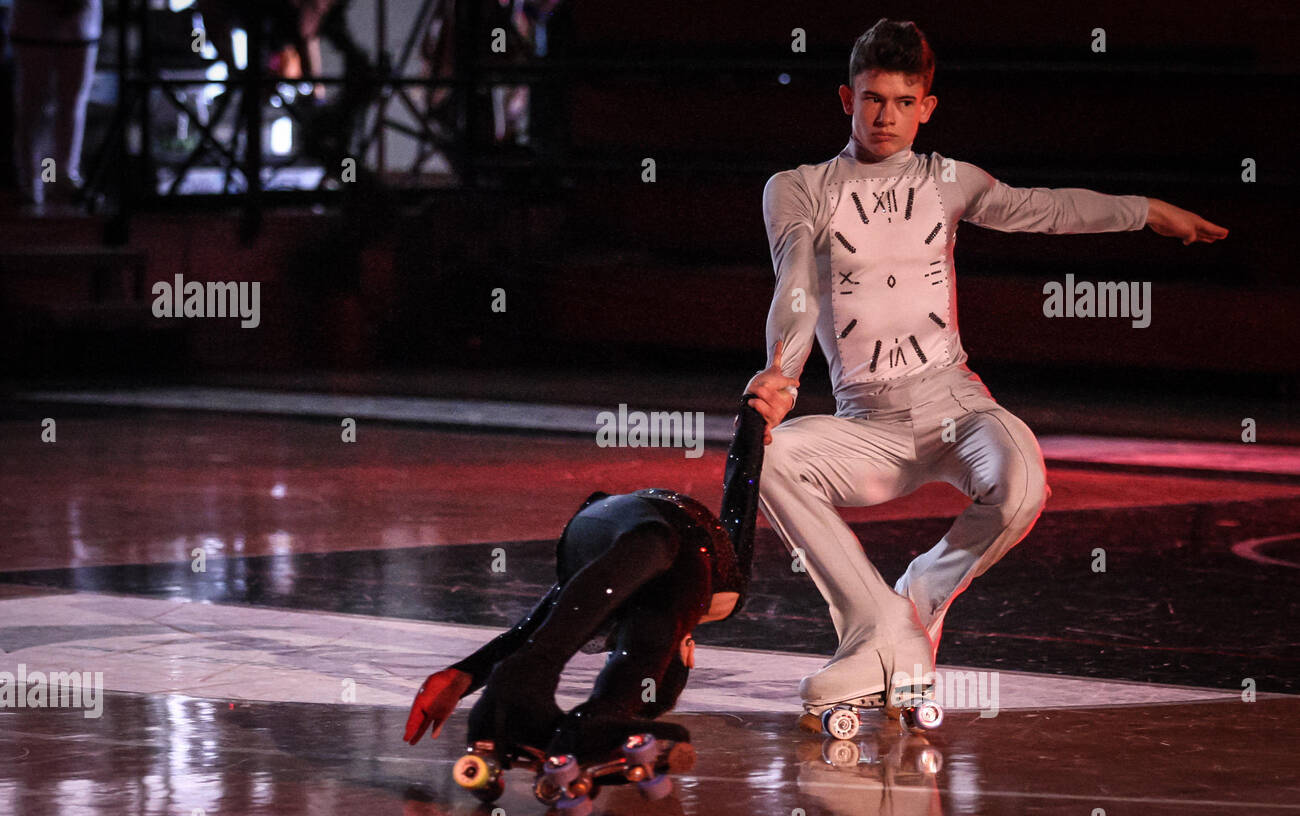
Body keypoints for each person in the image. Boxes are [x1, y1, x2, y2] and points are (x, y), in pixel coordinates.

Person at [743, 19, 1228, 718]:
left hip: (954, 407)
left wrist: (1145, 211)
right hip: (869, 427)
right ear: (845, 99)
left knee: (1023, 478)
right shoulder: (799, 187)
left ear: (927, 108)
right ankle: (877, 629)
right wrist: (780, 369)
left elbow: (1048, 210)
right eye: (873, 98)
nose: (886, 116)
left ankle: (913, 603)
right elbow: (796, 284)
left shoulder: (951, 182)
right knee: (769, 454)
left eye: (903, 102)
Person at [404, 346, 791, 760]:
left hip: (608, 545)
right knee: (665, 552)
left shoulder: (616, 599)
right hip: (619, 522)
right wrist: (752, 414)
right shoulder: (722, 594)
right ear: (688, 650)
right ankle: (564, 698)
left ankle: (584, 712)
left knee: (660, 560)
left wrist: (462, 675)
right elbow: (742, 497)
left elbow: (538, 623)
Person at [10, 0, 102, 207]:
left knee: (69, 105)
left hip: (79, 25)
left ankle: (60, 175)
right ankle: (38, 179)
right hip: (36, 25)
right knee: (36, 107)